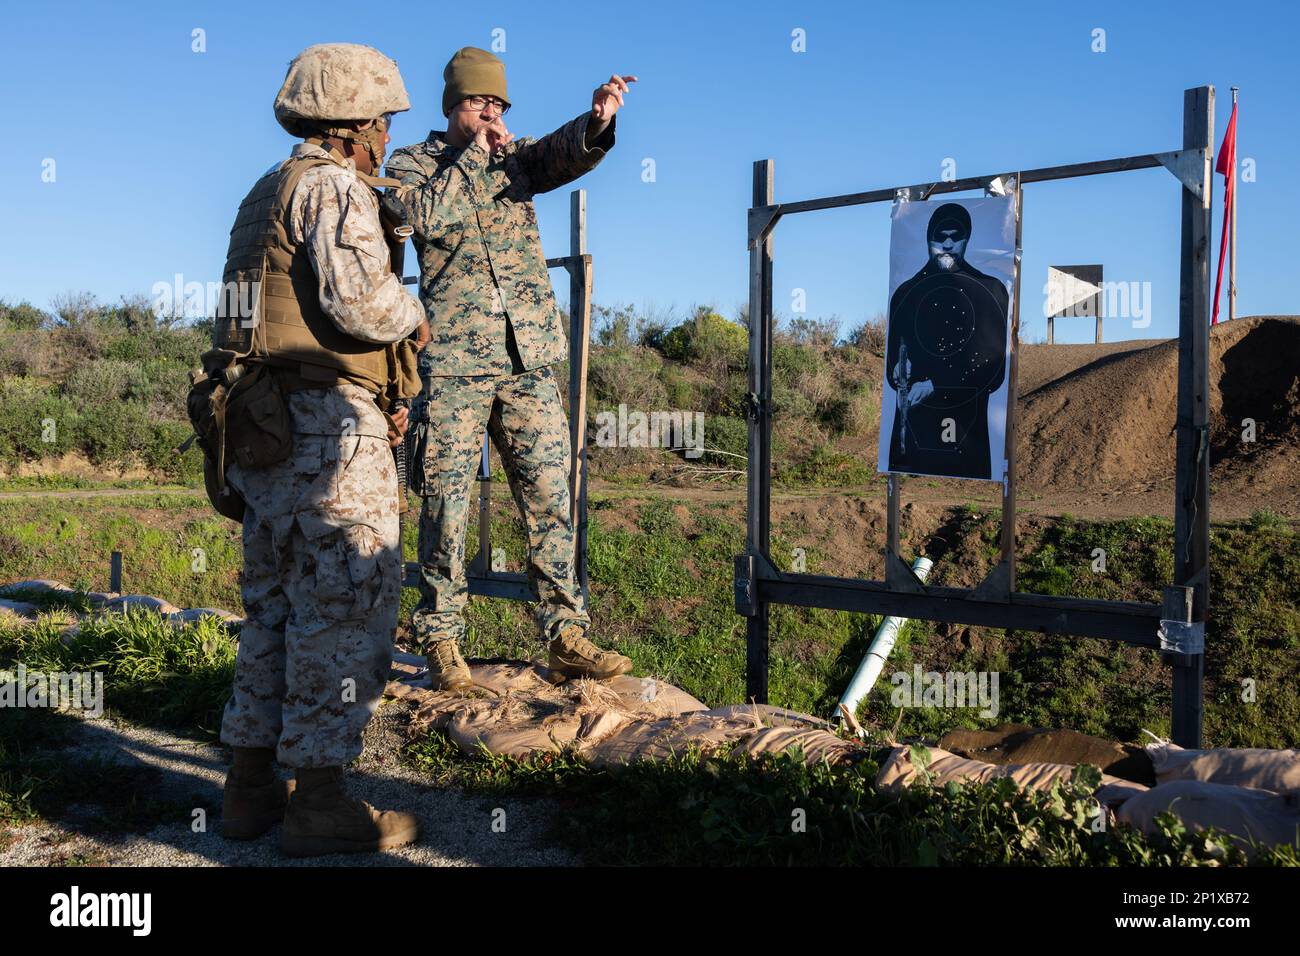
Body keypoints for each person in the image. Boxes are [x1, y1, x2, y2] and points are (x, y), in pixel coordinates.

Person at [213, 42, 430, 856]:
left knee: (271, 611)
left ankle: (249, 788)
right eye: (381, 123)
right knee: (343, 607)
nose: (385, 137)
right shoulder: (335, 186)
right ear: (354, 123)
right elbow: (362, 306)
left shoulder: (261, 193)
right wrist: (413, 317)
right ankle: (322, 802)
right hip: (326, 432)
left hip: (263, 429)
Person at [386, 47, 638, 691]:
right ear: (453, 107)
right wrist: (472, 155)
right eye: (479, 103)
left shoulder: (515, 155)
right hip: (455, 365)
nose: (492, 114)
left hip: (527, 358)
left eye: (498, 104)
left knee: (551, 494)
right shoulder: (412, 164)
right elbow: (417, 218)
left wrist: (598, 120)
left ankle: (566, 634)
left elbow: (561, 153)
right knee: (446, 501)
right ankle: (440, 636)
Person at [885, 202, 1009, 480]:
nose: (948, 244)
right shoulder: (906, 293)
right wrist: (897, 369)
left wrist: (936, 384)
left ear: (967, 239)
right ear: (929, 239)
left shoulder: (990, 290)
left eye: (956, 236)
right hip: (911, 438)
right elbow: (895, 358)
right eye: (940, 237)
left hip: (966, 435)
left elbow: (992, 368)